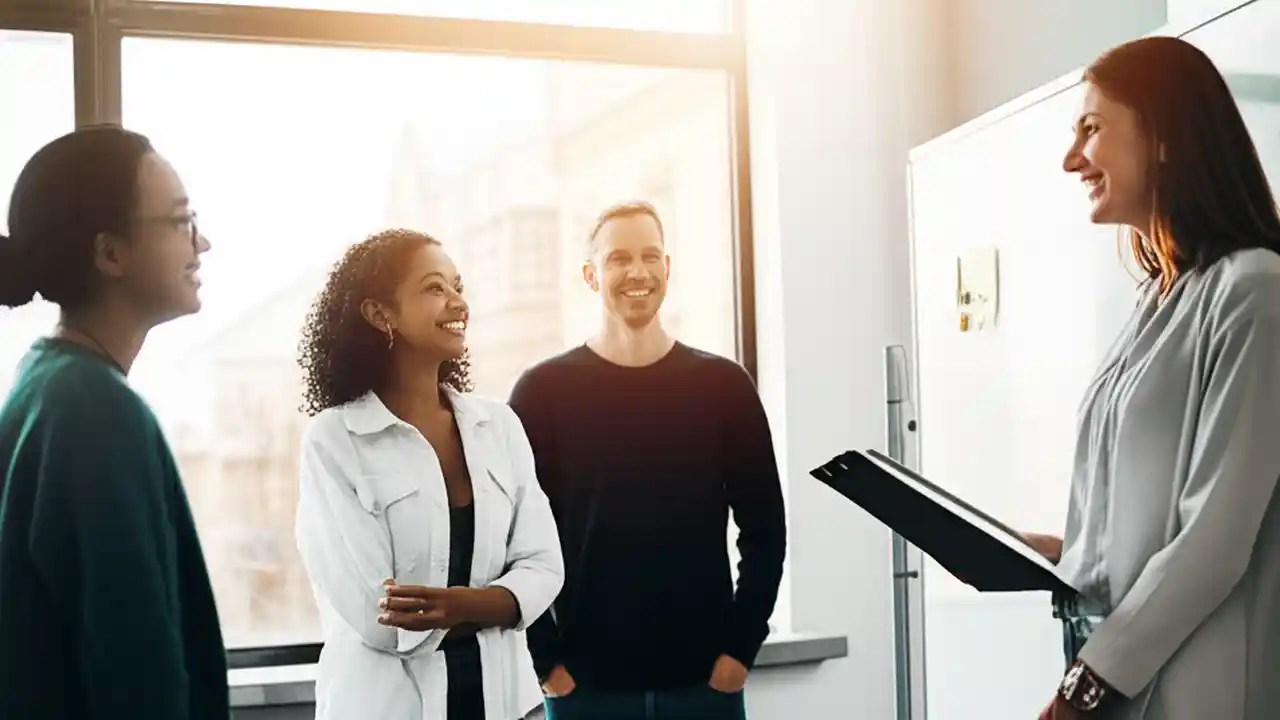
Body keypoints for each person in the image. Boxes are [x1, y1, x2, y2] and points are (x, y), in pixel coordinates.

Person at [1027, 36, 1280, 719]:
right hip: (1118, 680)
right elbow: (1149, 514)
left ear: (1164, 137)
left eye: (1091, 128)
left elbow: (1217, 537)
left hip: (1196, 688)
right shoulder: (1161, 297)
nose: (1071, 158)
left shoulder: (1255, 290)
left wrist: (1086, 686)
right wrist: (1064, 551)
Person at [509, 201, 787, 720]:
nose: (637, 272)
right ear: (591, 276)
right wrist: (546, 662)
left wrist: (739, 653)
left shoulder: (723, 387)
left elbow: (766, 528)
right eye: (618, 258)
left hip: (705, 685)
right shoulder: (542, 392)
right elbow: (511, 536)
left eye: (649, 256)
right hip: (585, 689)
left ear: (667, 267)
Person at [0, 126, 226, 718]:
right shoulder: (97, 416)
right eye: (181, 222)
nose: (203, 244)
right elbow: (137, 676)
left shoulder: (46, 387)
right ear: (110, 253)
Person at [295, 228, 564, 720]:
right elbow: (382, 620)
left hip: (508, 708)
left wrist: (458, 604)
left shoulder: (498, 427)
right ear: (381, 315)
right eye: (435, 288)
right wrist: (502, 605)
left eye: (458, 286)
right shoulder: (335, 441)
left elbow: (546, 568)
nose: (458, 301)